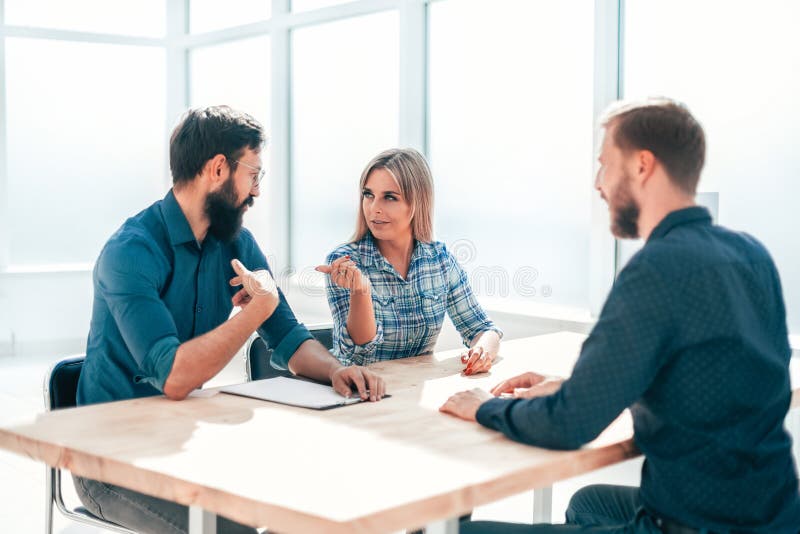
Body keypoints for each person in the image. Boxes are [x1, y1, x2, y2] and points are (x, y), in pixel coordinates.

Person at [440, 99, 800, 533]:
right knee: (589, 502)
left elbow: (568, 425)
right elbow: (709, 379)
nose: (598, 184)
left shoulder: (657, 269)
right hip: (774, 516)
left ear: (642, 165)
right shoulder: (752, 254)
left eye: (605, 165)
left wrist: (486, 407)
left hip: (695, 525)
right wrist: (578, 387)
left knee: (457, 532)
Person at [74, 105, 386, 534]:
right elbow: (175, 378)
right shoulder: (130, 252)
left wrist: (336, 370)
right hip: (112, 462)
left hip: (186, 441)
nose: (257, 191)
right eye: (253, 174)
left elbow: (287, 335)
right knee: (231, 530)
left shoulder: (235, 242)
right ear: (218, 169)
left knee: (312, 499)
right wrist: (256, 309)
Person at [316, 148, 502, 374]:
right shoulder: (346, 262)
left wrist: (482, 351)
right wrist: (360, 291)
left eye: (389, 197)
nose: (374, 208)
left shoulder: (440, 261)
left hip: (412, 388)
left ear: (417, 202)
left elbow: (483, 329)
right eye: (368, 195)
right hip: (359, 387)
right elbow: (358, 354)